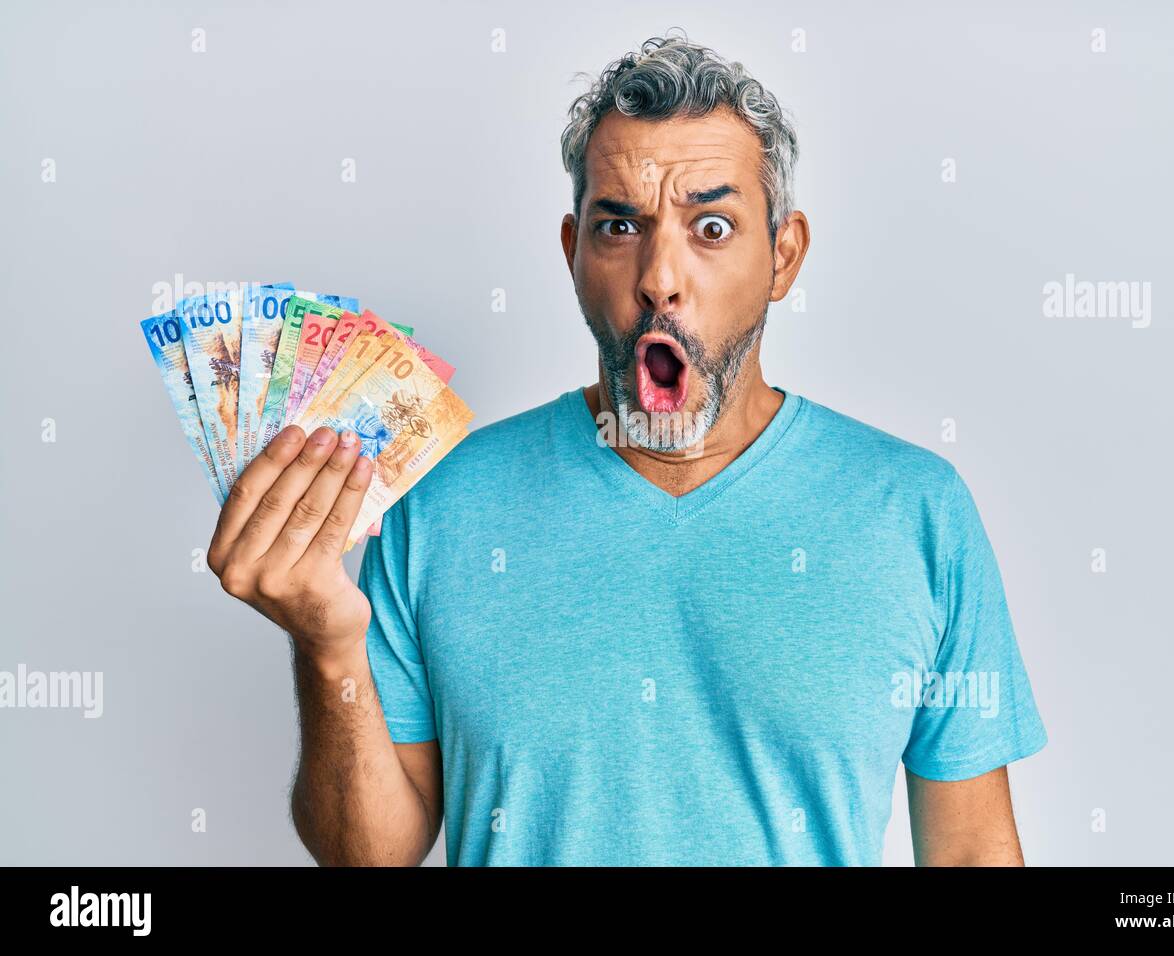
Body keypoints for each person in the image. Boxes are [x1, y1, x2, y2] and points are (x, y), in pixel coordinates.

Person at [207, 32, 1047, 866]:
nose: (659, 277)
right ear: (573, 252)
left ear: (783, 256)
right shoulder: (440, 497)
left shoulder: (914, 510)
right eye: (620, 226)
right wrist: (328, 649)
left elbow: (973, 851)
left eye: (711, 226)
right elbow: (368, 857)